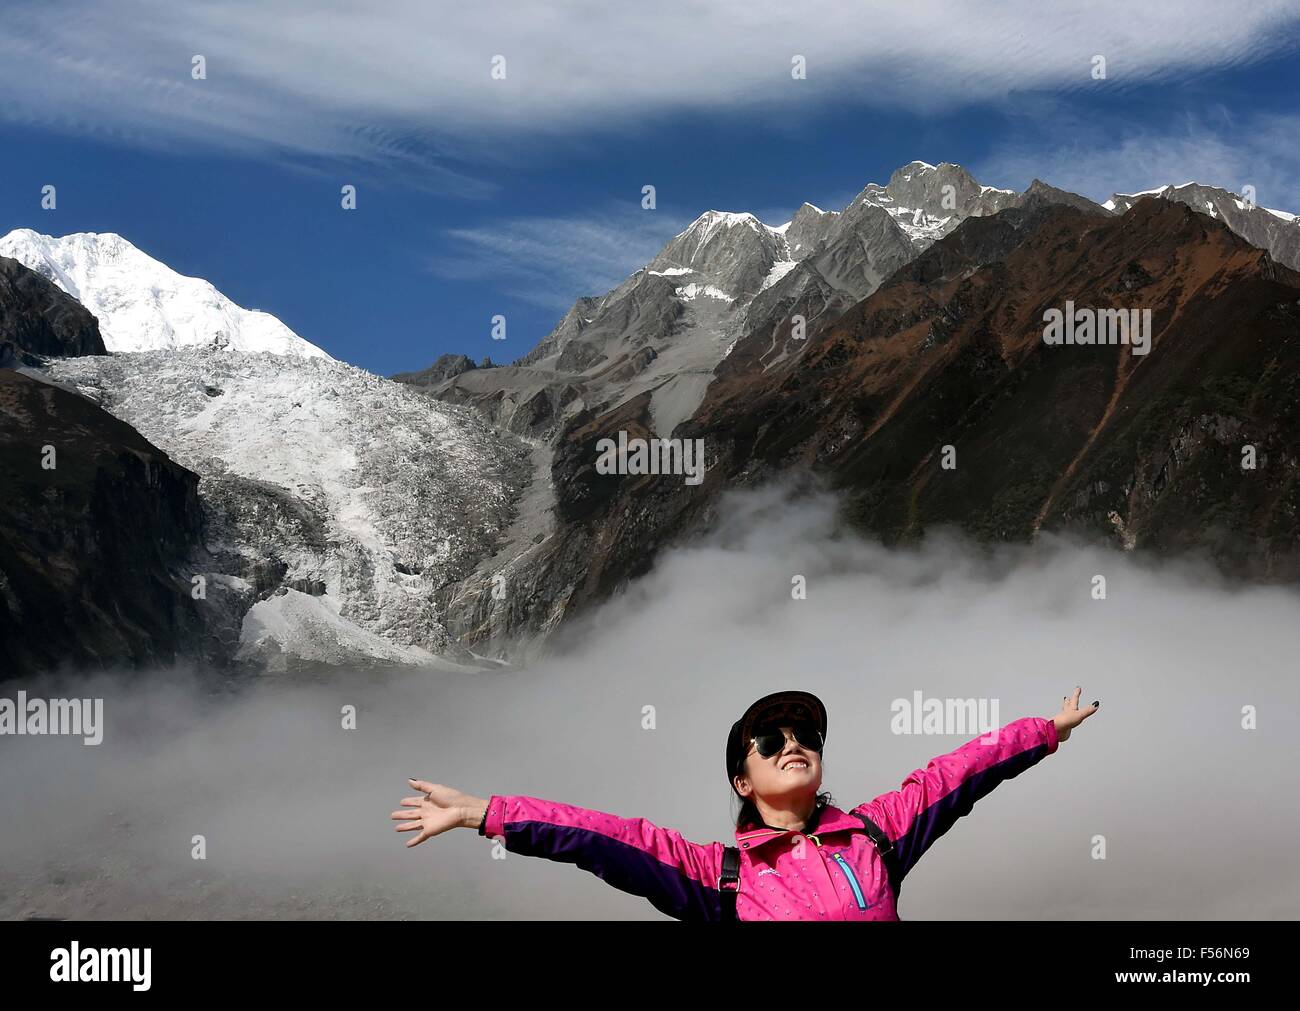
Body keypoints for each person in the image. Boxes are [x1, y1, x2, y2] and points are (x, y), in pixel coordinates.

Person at [390, 687, 1098, 920]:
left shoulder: (875, 836)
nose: (793, 743)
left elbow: (955, 773)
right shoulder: (719, 876)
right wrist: (487, 811)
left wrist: (1045, 731)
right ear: (743, 780)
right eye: (771, 740)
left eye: (805, 735)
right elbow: (604, 836)